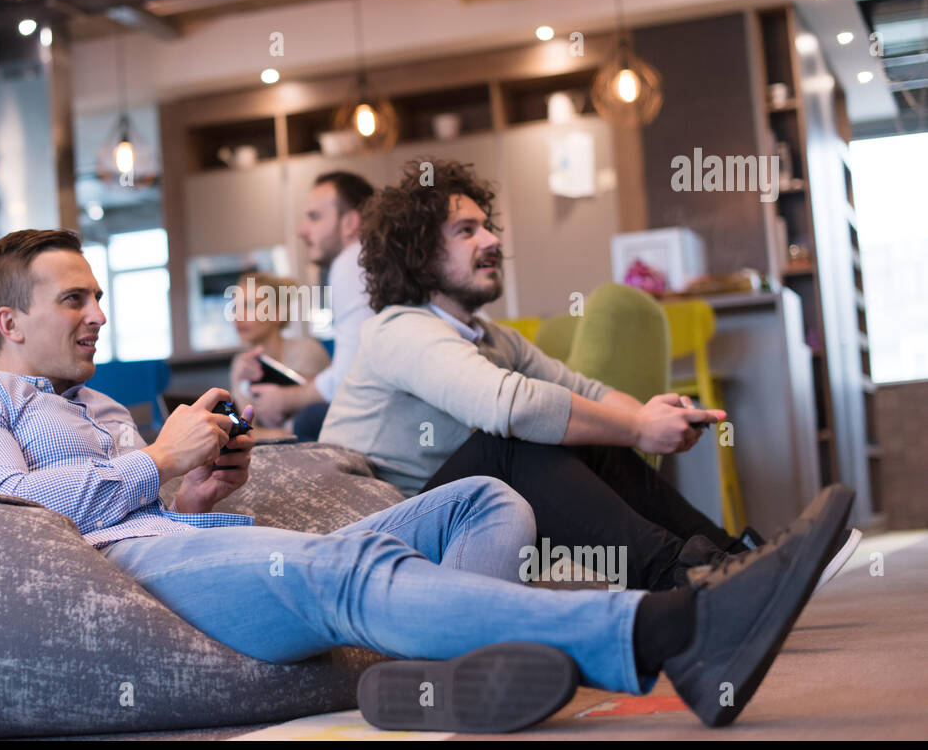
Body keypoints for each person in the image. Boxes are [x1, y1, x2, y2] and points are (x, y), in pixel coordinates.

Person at [0, 226, 853, 733]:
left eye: (98, 295)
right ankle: (671, 631)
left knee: (486, 498)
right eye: (74, 298)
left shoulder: (100, 410)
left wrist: (193, 482)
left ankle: (438, 682)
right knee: (343, 575)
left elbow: (142, 488)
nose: (97, 315)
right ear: (7, 320)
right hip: (137, 577)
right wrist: (157, 463)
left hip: (202, 546)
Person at [320, 159, 862, 591]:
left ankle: (735, 563)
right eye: (466, 231)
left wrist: (650, 415)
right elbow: (511, 407)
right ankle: (685, 577)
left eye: (487, 225)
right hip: (382, 533)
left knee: (583, 430)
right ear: (417, 257)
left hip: (455, 515)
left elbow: (584, 391)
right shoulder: (397, 330)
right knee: (513, 441)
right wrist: (638, 430)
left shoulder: (490, 337)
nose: (491, 241)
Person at [240, 172, 374, 440]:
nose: (301, 230)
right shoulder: (369, 264)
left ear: (350, 222)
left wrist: (286, 399)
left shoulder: (351, 262)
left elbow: (345, 382)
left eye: (314, 217)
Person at [227, 272, 329, 429]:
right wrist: (242, 385)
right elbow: (246, 430)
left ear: (277, 313)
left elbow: (314, 425)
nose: (238, 315)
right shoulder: (241, 364)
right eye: (235, 307)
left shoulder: (307, 352)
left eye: (250, 306)